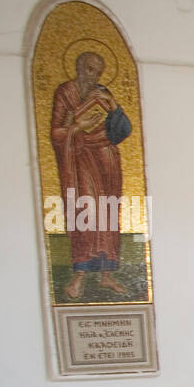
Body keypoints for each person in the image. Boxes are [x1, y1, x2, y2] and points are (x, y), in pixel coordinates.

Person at [50, 51, 132, 300]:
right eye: (89, 69)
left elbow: (123, 129)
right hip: (79, 160)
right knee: (87, 211)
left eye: (98, 71)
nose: (93, 75)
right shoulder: (65, 93)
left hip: (106, 160)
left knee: (107, 213)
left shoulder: (103, 93)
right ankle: (79, 276)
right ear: (78, 67)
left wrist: (112, 101)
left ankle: (107, 275)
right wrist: (77, 127)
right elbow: (56, 134)